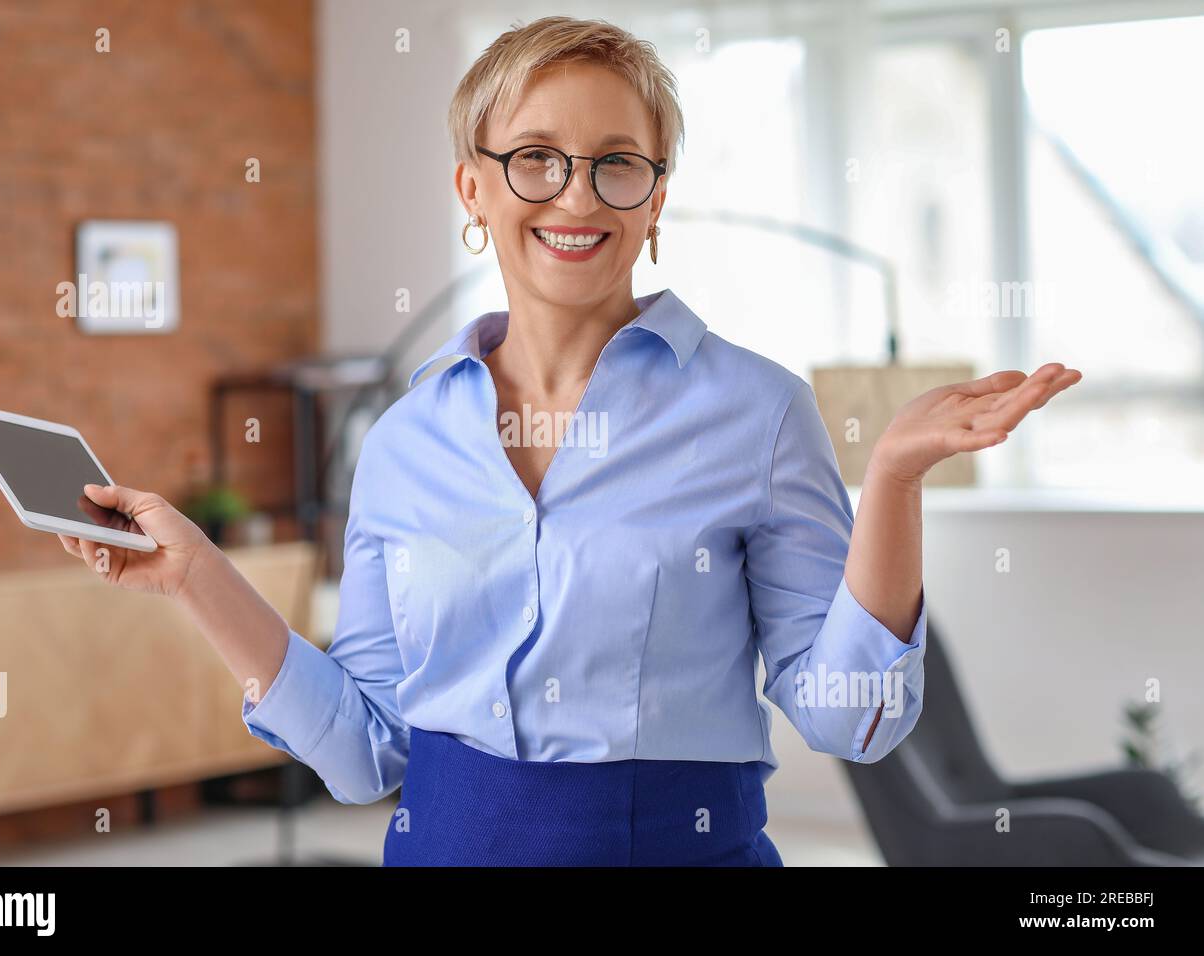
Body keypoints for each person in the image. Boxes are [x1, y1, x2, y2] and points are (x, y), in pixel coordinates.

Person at [59, 15, 1081, 866]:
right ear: (474, 189)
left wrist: (893, 478)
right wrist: (195, 574)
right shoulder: (406, 438)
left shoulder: (757, 410)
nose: (578, 195)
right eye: (536, 159)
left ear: (657, 198)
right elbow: (368, 750)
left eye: (616, 164)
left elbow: (848, 715)